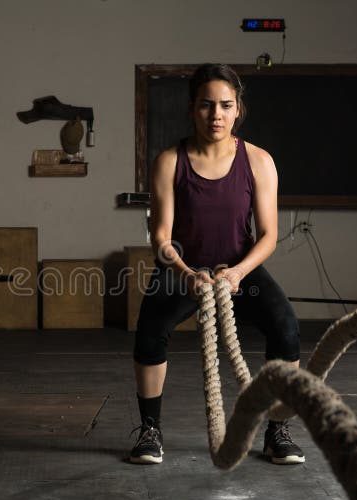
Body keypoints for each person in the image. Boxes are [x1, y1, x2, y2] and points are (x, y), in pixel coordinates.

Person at [129, 63, 304, 465]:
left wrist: (239, 272)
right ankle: (150, 431)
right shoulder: (169, 162)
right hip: (184, 270)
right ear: (192, 108)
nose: (216, 115)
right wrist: (187, 273)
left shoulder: (259, 161)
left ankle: (277, 431)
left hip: (239, 270)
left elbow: (268, 236)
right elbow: (160, 237)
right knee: (151, 329)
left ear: (238, 108)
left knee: (286, 328)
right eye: (207, 106)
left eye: (226, 105)